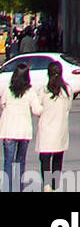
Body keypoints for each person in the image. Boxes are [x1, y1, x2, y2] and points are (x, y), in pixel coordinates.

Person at [35, 61, 71, 192]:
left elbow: (37, 110)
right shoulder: (67, 90)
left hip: (46, 129)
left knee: (45, 158)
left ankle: (47, 185)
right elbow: (68, 107)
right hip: (60, 129)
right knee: (58, 157)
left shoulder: (43, 90)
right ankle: (56, 185)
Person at [0, 64, 36, 192]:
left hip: (8, 131)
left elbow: (3, 104)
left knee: (8, 161)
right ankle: (19, 187)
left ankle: (7, 188)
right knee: (21, 161)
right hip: (24, 131)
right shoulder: (30, 92)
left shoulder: (8, 91)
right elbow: (37, 109)